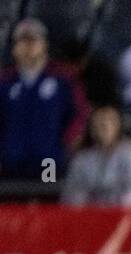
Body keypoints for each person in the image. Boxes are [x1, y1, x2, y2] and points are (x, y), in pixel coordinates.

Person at [0, 19, 87, 189]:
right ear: (15, 47)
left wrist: (65, 143)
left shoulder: (63, 78)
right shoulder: (5, 81)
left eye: (33, 40)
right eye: (23, 41)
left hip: (49, 159)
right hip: (11, 159)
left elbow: (80, 112)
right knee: (13, 208)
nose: (28, 46)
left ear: (44, 44)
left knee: (47, 204)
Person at [62, 104, 131, 206]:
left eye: (110, 121)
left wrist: (116, 213)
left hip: (123, 214)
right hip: (91, 215)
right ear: (92, 129)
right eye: (99, 123)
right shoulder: (82, 158)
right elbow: (73, 195)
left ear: (118, 125)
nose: (105, 126)